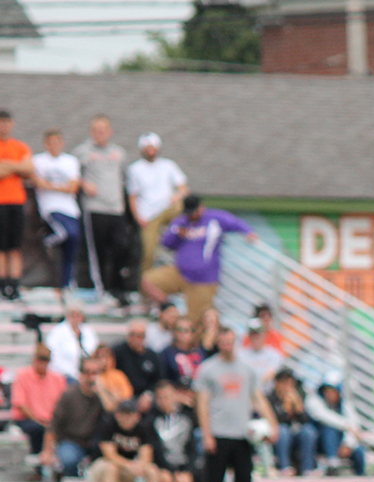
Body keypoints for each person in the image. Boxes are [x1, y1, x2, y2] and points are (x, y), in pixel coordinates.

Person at [194, 324, 278, 482]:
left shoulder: (247, 370)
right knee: (213, 479)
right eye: (223, 342)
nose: (227, 346)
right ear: (218, 344)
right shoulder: (208, 369)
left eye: (230, 342)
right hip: (218, 432)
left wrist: (272, 424)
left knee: (244, 479)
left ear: (236, 343)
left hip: (242, 432)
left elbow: (258, 398)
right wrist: (207, 434)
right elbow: (202, 404)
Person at [141, 194, 257, 325]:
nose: (191, 216)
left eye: (193, 212)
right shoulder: (181, 222)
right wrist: (178, 236)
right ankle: (166, 308)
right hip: (180, 272)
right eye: (188, 213)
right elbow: (166, 243)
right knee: (146, 280)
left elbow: (235, 223)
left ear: (200, 208)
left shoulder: (215, 218)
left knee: (195, 321)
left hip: (204, 280)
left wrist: (249, 232)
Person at [92, 398, 181, 482]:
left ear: (137, 416)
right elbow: (109, 455)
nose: (127, 418)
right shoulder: (108, 426)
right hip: (103, 466)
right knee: (111, 468)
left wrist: (140, 466)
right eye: (124, 414)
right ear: (117, 415)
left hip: (129, 468)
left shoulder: (143, 429)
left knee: (152, 470)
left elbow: (146, 454)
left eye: (130, 414)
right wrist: (129, 465)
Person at [73, 115, 131, 304]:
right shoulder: (82, 152)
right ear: (91, 132)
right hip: (94, 208)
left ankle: (118, 287)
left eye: (103, 129)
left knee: (121, 246)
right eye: (96, 129)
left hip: (116, 208)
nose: (100, 133)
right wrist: (83, 184)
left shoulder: (119, 153)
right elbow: (72, 176)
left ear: (110, 131)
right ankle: (102, 290)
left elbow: (125, 179)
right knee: (98, 252)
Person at [31, 129, 82, 300]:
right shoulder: (38, 160)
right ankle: (46, 240)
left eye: (57, 142)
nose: (54, 146)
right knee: (66, 233)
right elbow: (38, 183)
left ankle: (66, 284)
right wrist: (62, 187)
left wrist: (50, 185)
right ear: (46, 144)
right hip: (51, 207)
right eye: (51, 142)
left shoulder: (70, 161)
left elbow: (73, 187)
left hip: (70, 209)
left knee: (72, 244)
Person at [126, 132, 188, 273]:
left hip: (167, 209)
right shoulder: (135, 169)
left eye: (153, 147)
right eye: (147, 148)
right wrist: (138, 218)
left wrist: (177, 195)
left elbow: (183, 188)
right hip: (149, 215)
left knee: (181, 208)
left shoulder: (168, 165)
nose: (151, 150)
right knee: (147, 254)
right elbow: (132, 196)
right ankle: (145, 287)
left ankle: (179, 236)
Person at [305, 371, 371, 482]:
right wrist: (347, 426)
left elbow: (355, 426)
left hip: (340, 446)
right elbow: (325, 417)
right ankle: (332, 463)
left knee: (359, 452)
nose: (329, 393)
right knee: (329, 429)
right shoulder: (313, 401)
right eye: (326, 390)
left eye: (332, 390)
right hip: (318, 446)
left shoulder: (344, 404)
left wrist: (348, 444)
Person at [39, 356, 105, 478]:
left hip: (96, 442)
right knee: (69, 459)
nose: (91, 377)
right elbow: (54, 425)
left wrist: (103, 393)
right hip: (71, 440)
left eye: (95, 373)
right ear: (81, 374)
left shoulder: (103, 395)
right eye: (87, 372)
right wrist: (47, 451)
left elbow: (116, 414)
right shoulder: (69, 395)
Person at [149, 380, 201, 482]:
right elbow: (156, 452)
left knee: (208, 473)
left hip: (186, 464)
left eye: (167, 396)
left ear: (175, 396)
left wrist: (189, 472)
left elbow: (192, 449)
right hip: (166, 467)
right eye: (160, 397)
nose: (163, 401)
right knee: (164, 477)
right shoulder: (151, 420)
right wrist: (175, 473)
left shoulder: (187, 417)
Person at [0, 109, 34, 301]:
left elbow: (29, 168)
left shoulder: (20, 147)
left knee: (15, 246)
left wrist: (6, 164)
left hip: (16, 202)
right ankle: (3, 283)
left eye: (7, 122)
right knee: (1, 246)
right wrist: (16, 166)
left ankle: (14, 284)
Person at [10, 343, 66, 454]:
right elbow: (20, 404)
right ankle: (38, 457)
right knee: (38, 429)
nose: (42, 363)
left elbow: (63, 403)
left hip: (52, 420)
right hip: (29, 419)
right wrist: (39, 419)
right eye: (40, 359)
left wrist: (53, 420)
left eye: (45, 360)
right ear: (34, 359)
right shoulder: (23, 376)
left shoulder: (57, 378)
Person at [267, 368, 318, 476]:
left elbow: (305, 420)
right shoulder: (270, 398)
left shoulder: (299, 396)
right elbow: (276, 420)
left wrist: (298, 407)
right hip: (278, 436)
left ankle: (308, 469)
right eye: (285, 382)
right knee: (283, 431)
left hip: (296, 435)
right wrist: (286, 408)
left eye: (291, 383)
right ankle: (284, 467)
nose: (288, 386)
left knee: (308, 431)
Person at [113, 319, 162, 413]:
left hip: (145, 396)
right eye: (132, 334)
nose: (136, 338)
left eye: (140, 335)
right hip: (122, 396)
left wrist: (148, 395)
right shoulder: (117, 352)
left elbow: (157, 380)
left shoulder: (152, 356)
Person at [44, 302, 99, 382]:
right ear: (67, 316)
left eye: (79, 315)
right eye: (73, 315)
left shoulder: (89, 331)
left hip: (87, 373)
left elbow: (95, 351)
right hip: (64, 375)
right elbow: (54, 358)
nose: (76, 318)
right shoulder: (56, 332)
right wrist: (74, 374)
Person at [159, 316, 206, 402]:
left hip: (199, 395)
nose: (182, 334)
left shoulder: (200, 351)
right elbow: (163, 380)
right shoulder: (166, 353)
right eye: (179, 330)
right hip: (176, 396)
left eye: (186, 330)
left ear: (192, 333)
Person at [237, 320, 283, 390]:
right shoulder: (240, 354)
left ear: (264, 334)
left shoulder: (274, 355)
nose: (256, 337)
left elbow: (270, 374)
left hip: (266, 393)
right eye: (253, 334)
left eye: (258, 333)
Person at [92, 344, 134, 413]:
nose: (103, 360)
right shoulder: (93, 376)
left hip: (119, 411)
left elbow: (127, 395)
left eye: (106, 357)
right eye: (99, 357)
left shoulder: (118, 375)